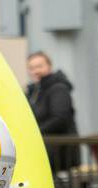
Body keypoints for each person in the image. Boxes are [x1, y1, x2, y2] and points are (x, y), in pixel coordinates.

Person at [25, 51, 78, 179]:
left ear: (49, 66)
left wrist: (35, 132)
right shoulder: (33, 92)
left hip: (59, 154)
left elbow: (60, 118)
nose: (36, 71)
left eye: (39, 66)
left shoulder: (58, 88)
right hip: (44, 151)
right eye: (32, 68)